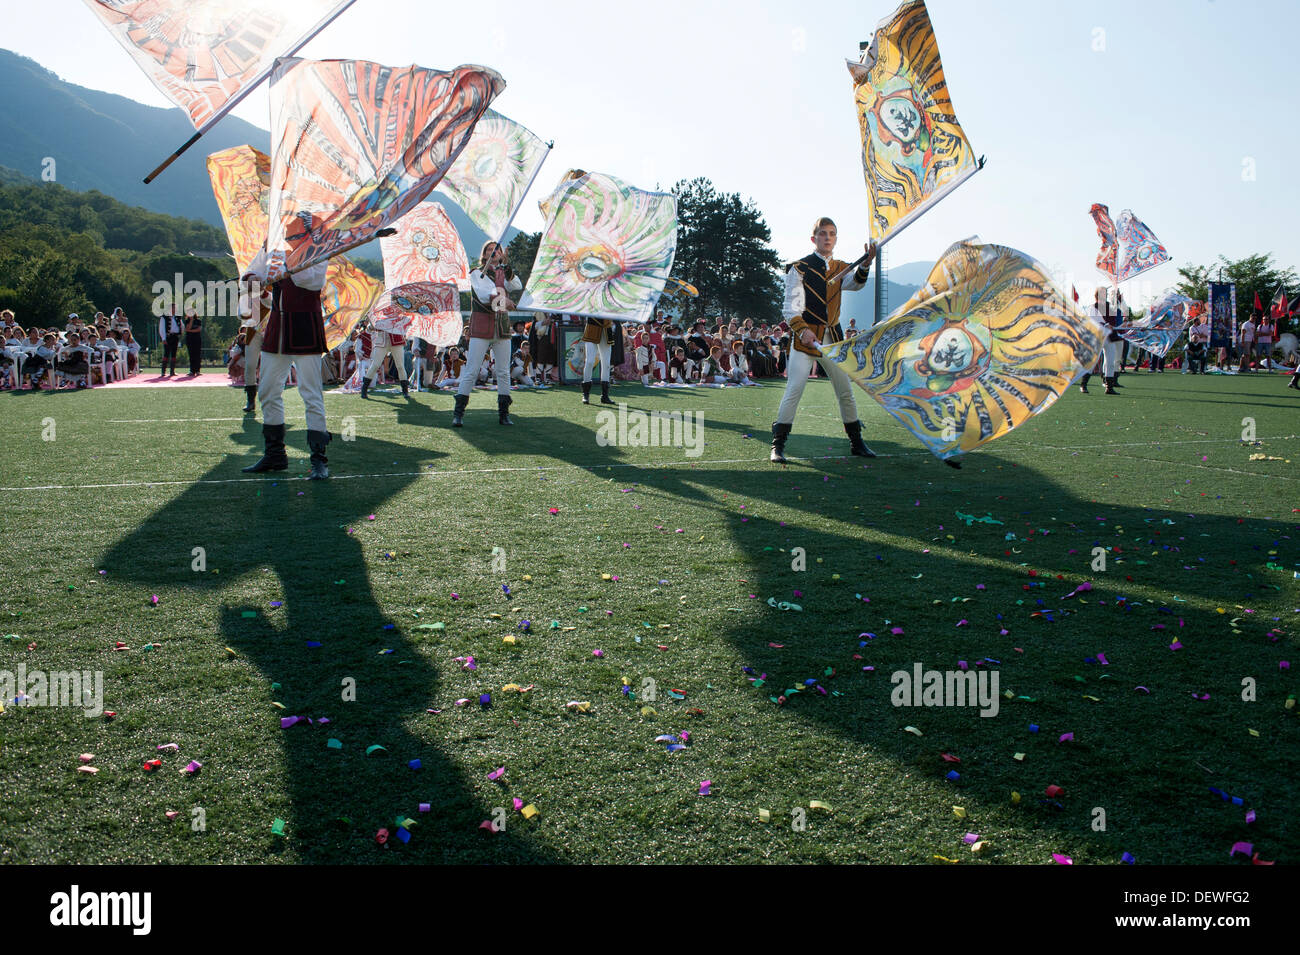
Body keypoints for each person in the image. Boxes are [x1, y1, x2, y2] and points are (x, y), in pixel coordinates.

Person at [771, 217, 878, 463]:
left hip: (833, 339)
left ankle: (856, 442)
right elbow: (791, 308)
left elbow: (855, 284)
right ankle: (778, 444)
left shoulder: (841, 267)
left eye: (831, 233)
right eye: (822, 233)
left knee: (845, 392)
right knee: (794, 389)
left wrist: (866, 263)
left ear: (836, 238)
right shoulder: (800, 268)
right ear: (814, 238)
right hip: (806, 340)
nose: (827, 237)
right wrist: (802, 330)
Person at [240, 249, 333, 480]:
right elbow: (250, 278)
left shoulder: (318, 245)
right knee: (268, 391)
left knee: (311, 393)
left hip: (305, 327)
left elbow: (311, 282)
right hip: (277, 329)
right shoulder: (271, 245)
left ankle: (318, 459)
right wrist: (255, 281)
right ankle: (275, 455)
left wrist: (283, 270)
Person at [454, 240, 520, 426]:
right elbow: (484, 297)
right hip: (482, 325)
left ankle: (504, 413)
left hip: (501, 326)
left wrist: (507, 269)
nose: (493, 252)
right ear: (484, 255)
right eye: (489, 250)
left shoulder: (503, 271)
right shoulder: (476, 273)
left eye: (496, 250)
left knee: (503, 372)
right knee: (472, 370)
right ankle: (458, 413)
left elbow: (516, 285)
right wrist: (504, 301)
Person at [362, 325, 410, 398]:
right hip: (381, 341)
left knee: (400, 366)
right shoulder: (378, 314)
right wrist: (371, 326)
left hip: (396, 340)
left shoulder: (399, 313)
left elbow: (405, 325)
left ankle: (405, 391)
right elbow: (368, 330)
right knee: (375, 365)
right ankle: (364, 388)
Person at [580, 316, 616, 404]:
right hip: (592, 328)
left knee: (606, 364)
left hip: (606, 330)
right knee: (589, 362)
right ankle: (586, 394)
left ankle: (605, 396)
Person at [528, 312, 559, 385]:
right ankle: (538, 377)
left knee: (551, 358)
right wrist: (543, 322)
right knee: (541, 358)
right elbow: (534, 326)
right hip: (542, 337)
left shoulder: (556, 313)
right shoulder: (539, 313)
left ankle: (548, 377)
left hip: (554, 337)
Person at [158, 306, 182, 377]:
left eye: (175, 308)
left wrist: (180, 333)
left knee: (174, 354)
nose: (174, 309)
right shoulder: (164, 317)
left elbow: (181, 325)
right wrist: (163, 338)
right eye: (173, 308)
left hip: (175, 337)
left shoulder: (177, 317)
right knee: (166, 354)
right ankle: (163, 372)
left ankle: (172, 371)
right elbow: (161, 328)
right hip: (168, 337)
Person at [184, 308, 203, 376]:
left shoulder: (198, 321)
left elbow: (198, 329)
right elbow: (187, 328)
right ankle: (192, 371)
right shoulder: (187, 321)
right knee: (191, 355)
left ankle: (197, 371)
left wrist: (190, 330)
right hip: (189, 340)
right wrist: (191, 320)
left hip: (197, 339)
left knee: (197, 355)